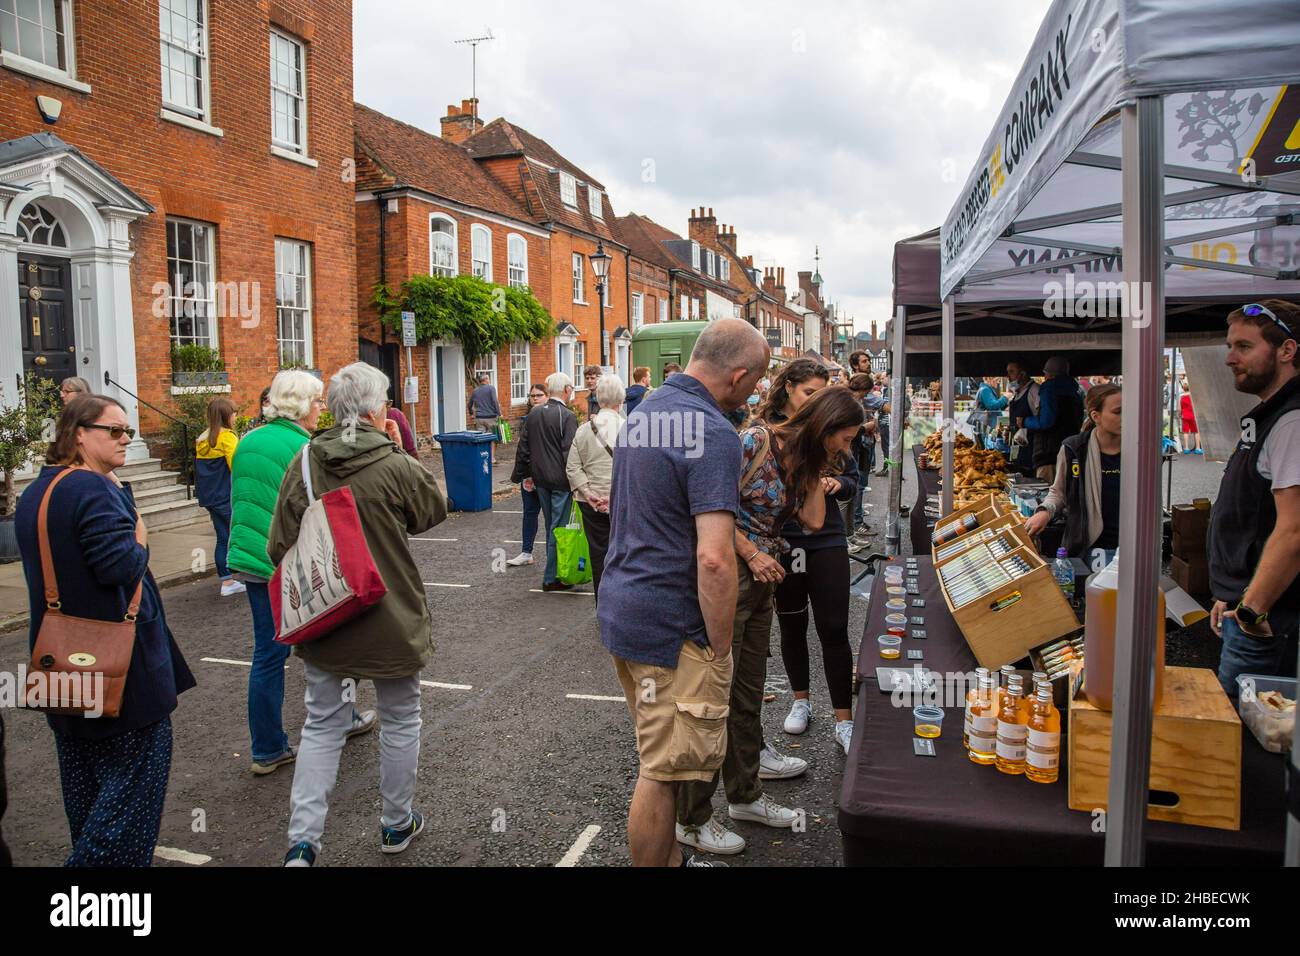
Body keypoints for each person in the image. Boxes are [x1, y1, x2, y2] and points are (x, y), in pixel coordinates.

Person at [600, 318, 769, 867]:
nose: (756, 393)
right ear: (738, 376)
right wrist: (719, 646)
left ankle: (673, 857)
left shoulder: (642, 414)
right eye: (757, 382)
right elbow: (715, 556)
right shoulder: (714, 431)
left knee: (657, 753)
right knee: (662, 770)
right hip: (672, 627)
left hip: (625, 606)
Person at [268, 364, 447, 867]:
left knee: (322, 724)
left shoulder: (304, 459)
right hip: (391, 615)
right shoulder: (393, 462)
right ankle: (395, 824)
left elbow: (279, 543)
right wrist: (403, 450)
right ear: (374, 410)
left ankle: (303, 843)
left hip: (327, 615)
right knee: (400, 718)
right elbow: (433, 511)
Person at [676, 381, 862, 856]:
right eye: (843, 437)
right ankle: (692, 819)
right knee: (713, 693)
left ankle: (744, 796)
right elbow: (713, 511)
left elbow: (817, 522)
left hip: (764, 577)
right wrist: (754, 553)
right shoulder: (753, 441)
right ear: (825, 426)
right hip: (735, 572)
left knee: (749, 689)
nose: (848, 446)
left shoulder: (805, 458)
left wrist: (818, 466)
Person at [15, 395, 196, 865]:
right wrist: (141, 531)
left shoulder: (39, 490)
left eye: (128, 432)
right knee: (125, 815)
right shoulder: (91, 491)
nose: (124, 439)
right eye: (113, 431)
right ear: (78, 433)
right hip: (119, 669)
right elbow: (120, 565)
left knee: (87, 794)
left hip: (60, 661)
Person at [227, 370, 376, 775]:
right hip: (291, 560)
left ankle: (266, 748)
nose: (321, 408)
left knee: (267, 655)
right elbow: (320, 507)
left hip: (251, 558)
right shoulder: (304, 448)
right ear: (298, 404)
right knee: (333, 642)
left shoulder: (249, 440)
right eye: (315, 401)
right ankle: (341, 719)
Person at [758, 377, 863, 755]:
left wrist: (838, 484)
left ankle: (844, 720)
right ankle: (800, 700)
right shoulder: (768, 437)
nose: (848, 445)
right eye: (846, 438)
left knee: (834, 626)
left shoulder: (833, 447)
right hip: (784, 542)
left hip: (826, 541)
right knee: (791, 623)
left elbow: (847, 487)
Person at [1209, 300, 1300, 697]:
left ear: (1286, 350)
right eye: (1230, 347)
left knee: (1246, 744)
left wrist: (1250, 610)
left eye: (1244, 347)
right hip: (1250, 607)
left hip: (1268, 620)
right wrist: (1230, 593)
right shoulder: (1271, 415)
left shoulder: (1292, 421)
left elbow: (1294, 531)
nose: (1230, 358)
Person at [1024, 384, 1122, 560]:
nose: (1126, 417)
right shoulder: (1074, 449)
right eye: (1118, 412)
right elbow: (1059, 492)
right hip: (1090, 549)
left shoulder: (1140, 450)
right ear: (1096, 416)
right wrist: (1044, 512)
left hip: (1131, 549)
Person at [516, 372, 578, 592]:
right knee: (558, 527)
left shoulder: (533, 414)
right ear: (567, 390)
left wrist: (523, 474)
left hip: (540, 479)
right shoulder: (567, 416)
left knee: (551, 525)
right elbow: (569, 452)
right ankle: (552, 577)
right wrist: (578, 481)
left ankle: (555, 573)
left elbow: (524, 447)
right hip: (560, 480)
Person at [566, 375, 625, 601]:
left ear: (598, 399)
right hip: (622, 502)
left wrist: (589, 493)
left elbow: (572, 467)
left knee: (599, 554)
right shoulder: (630, 429)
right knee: (623, 554)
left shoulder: (584, 430)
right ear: (621, 399)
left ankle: (602, 605)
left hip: (591, 504)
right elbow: (636, 470)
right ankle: (622, 605)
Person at [195, 397, 245, 598]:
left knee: (223, 537)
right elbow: (237, 466)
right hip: (226, 495)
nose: (236, 417)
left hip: (210, 497)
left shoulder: (202, 439)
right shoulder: (227, 437)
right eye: (234, 413)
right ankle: (253, 574)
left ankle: (227, 581)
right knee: (241, 533)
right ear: (227, 416)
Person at [506, 384, 548, 567]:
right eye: (532, 396)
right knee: (529, 514)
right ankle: (526, 552)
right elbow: (523, 449)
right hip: (530, 476)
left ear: (547, 396)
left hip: (548, 477)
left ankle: (553, 556)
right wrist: (524, 475)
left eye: (539, 395)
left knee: (551, 517)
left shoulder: (553, 416)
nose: (535, 399)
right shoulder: (528, 419)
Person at [1024, 356, 1083, 484]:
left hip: (1048, 454)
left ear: (1048, 375)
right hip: (1069, 451)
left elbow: (1046, 421)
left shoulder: (1049, 389)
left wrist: (1025, 421)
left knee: (1046, 495)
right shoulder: (1076, 391)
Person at [1006, 360, 1040, 477]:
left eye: (1011, 372)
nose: (1008, 376)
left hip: (1032, 449)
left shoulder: (1034, 390)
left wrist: (1025, 422)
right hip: (1019, 449)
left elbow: (1041, 418)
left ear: (1022, 374)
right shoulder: (1018, 392)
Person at [468, 372, 500, 465]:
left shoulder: (475, 390)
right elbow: (495, 401)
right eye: (488, 379)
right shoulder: (491, 388)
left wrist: (471, 413)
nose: (489, 380)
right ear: (486, 380)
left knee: (481, 439)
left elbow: (469, 404)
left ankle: (482, 458)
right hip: (491, 417)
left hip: (479, 418)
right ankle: (492, 459)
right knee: (493, 438)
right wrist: (499, 413)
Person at [973, 376, 1010, 444]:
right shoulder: (985, 390)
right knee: (991, 447)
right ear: (989, 378)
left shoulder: (985, 389)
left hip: (989, 426)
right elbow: (992, 406)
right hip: (990, 426)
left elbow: (994, 405)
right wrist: (1005, 397)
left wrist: (1005, 405)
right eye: (997, 379)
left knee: (990, 445)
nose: (998, 382)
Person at [1179, 378, 1203, 455]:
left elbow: (1179, 408)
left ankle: (1186, 448)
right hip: (1193, 415)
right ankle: (1198, 448)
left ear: (1183, 388)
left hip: (1184, 415)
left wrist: (1180, 414)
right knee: (1196, 432)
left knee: (1185, 432)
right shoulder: (1193, 395)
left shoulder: (1181, 396)